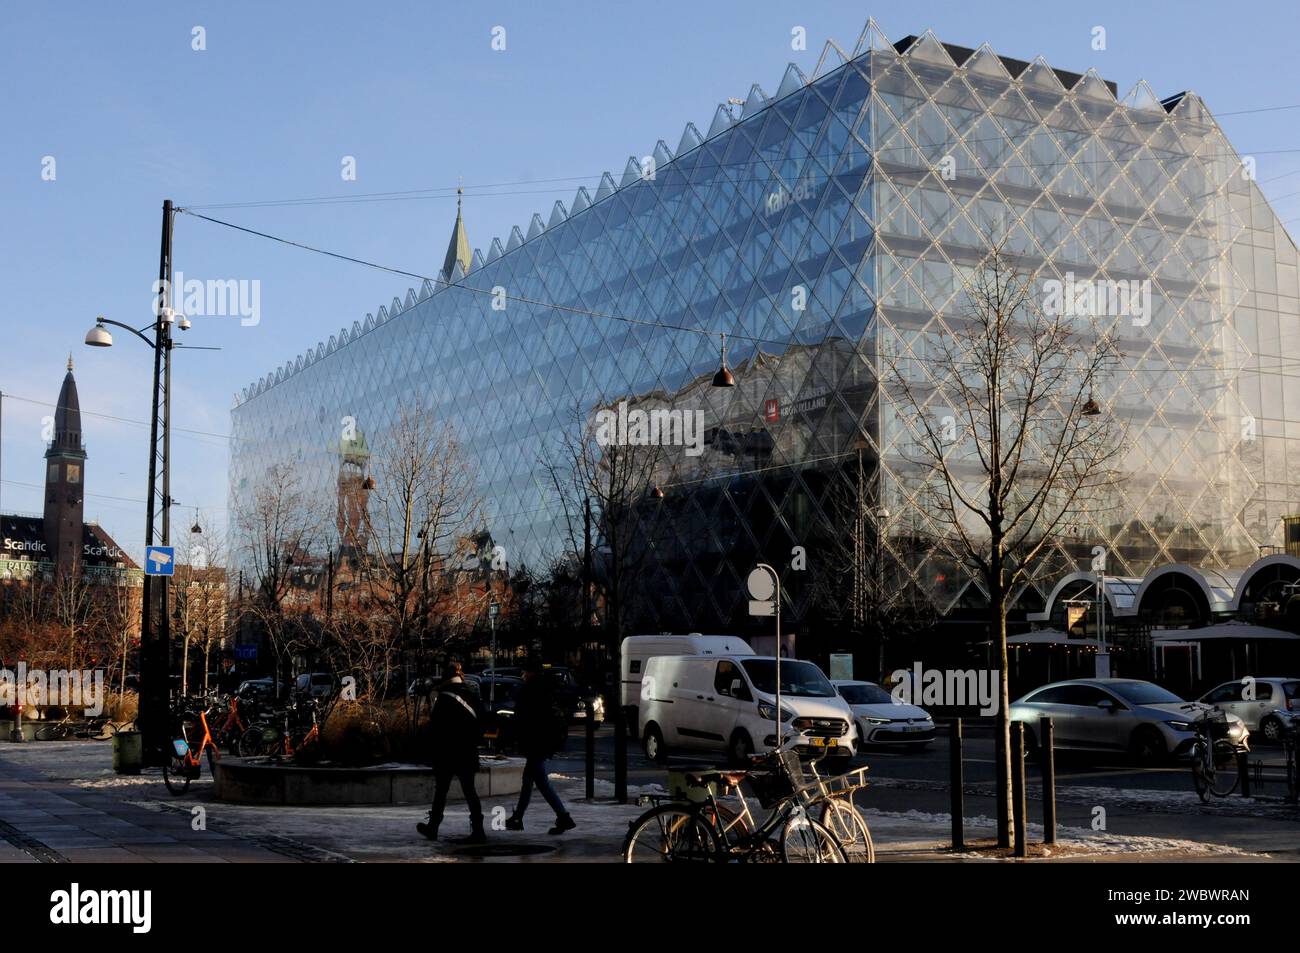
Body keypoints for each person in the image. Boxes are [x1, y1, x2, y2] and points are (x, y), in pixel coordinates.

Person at [417, 661, 485, 843]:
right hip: (467, 751)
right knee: (470, 791)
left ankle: (433, 827)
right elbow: (481, 722)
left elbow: (435, 729)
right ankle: (479, 829)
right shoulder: (472, 694)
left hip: (447, 753)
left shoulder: (444, 698)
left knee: (441, 791)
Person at [506, 660, 575, 835]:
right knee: (529, 780)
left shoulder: (530, 690)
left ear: (530, 673)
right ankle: (518, 817)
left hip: (535, 742)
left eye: (524, 672)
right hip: (544, 742)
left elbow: (523, 718)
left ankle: (563, 816)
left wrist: (512, 738)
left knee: (540, 783)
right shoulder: (545, 688)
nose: (522, 675)